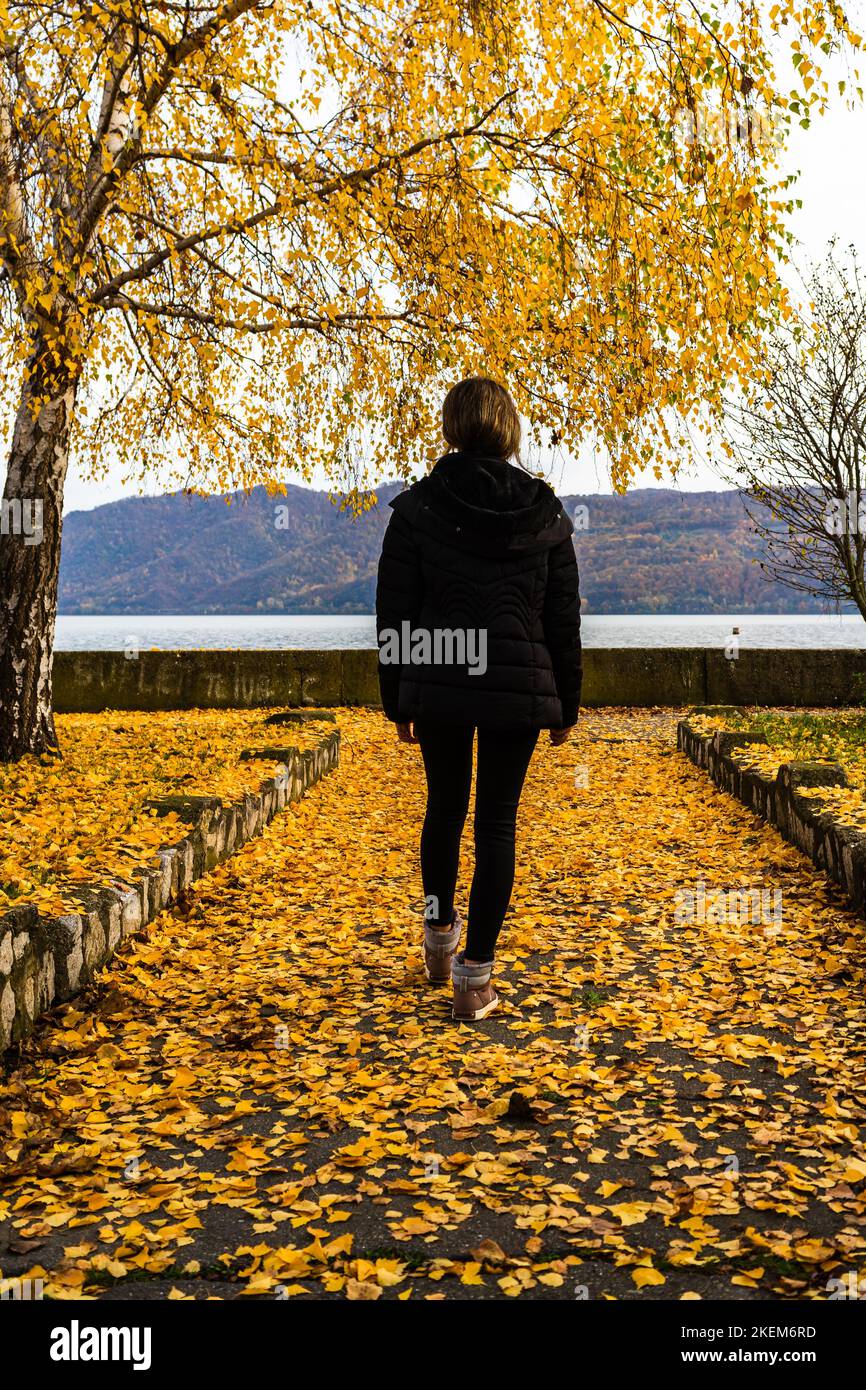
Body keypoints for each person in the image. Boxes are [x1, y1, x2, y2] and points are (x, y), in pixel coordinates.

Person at [375, 376, 582, 1021]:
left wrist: (397, 699)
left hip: (438, 681)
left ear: (450, 426)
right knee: (497, 823)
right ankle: (475, 977)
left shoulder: (417, 511)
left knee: (444, 809)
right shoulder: (545, 514)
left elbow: (394, 614)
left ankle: (439, 939)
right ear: (510, 428)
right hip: (516, 692)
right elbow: (562, 620)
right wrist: (565, 705)